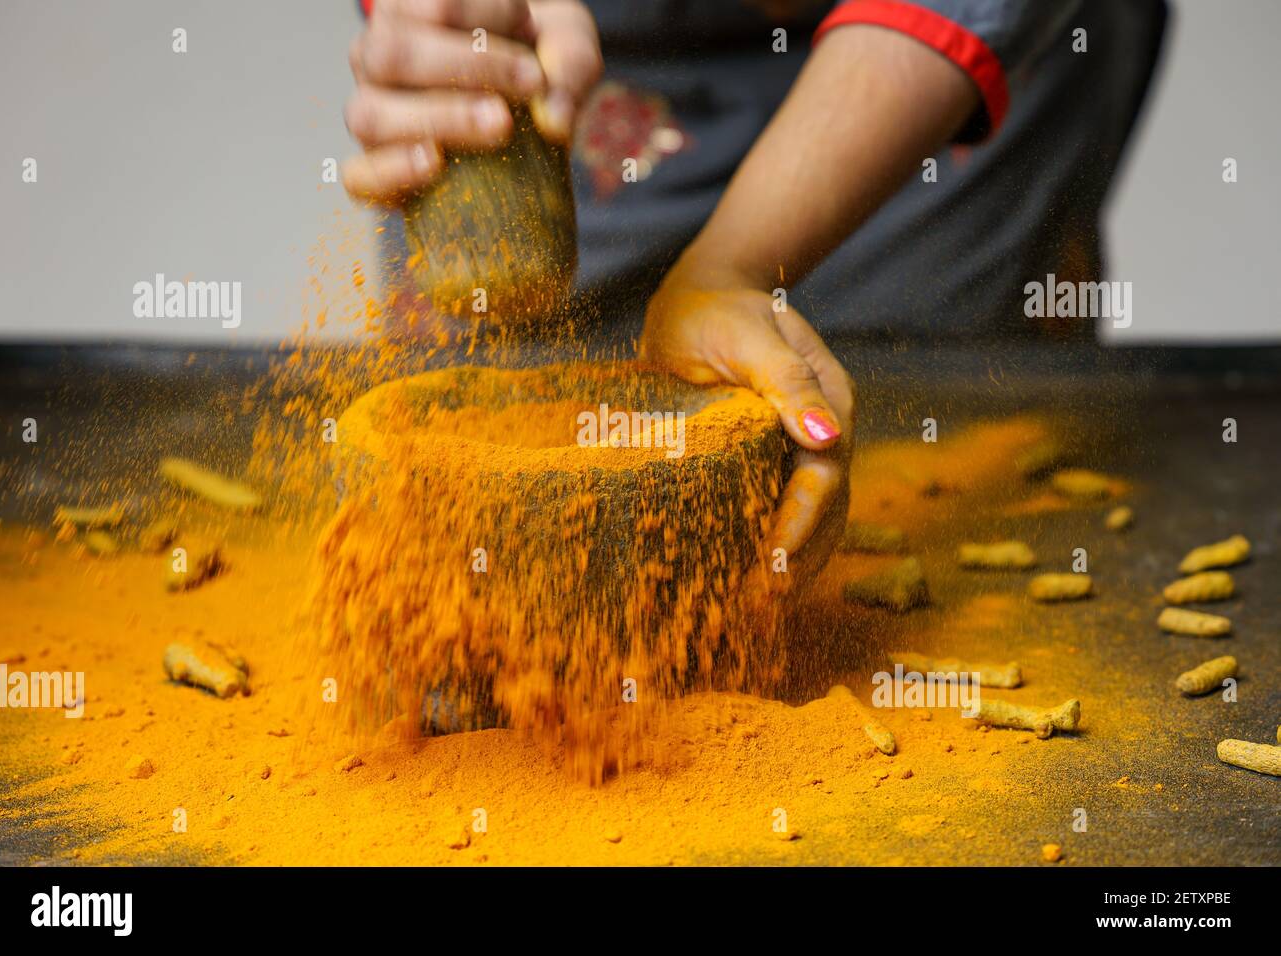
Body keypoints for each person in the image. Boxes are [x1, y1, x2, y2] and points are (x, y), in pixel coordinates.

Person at [340, 0, 1167, 570]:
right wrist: (472, 22)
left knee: (924, 423)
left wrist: (731, 270)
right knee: (479, 474)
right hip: (610, 73)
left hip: (918, 95)